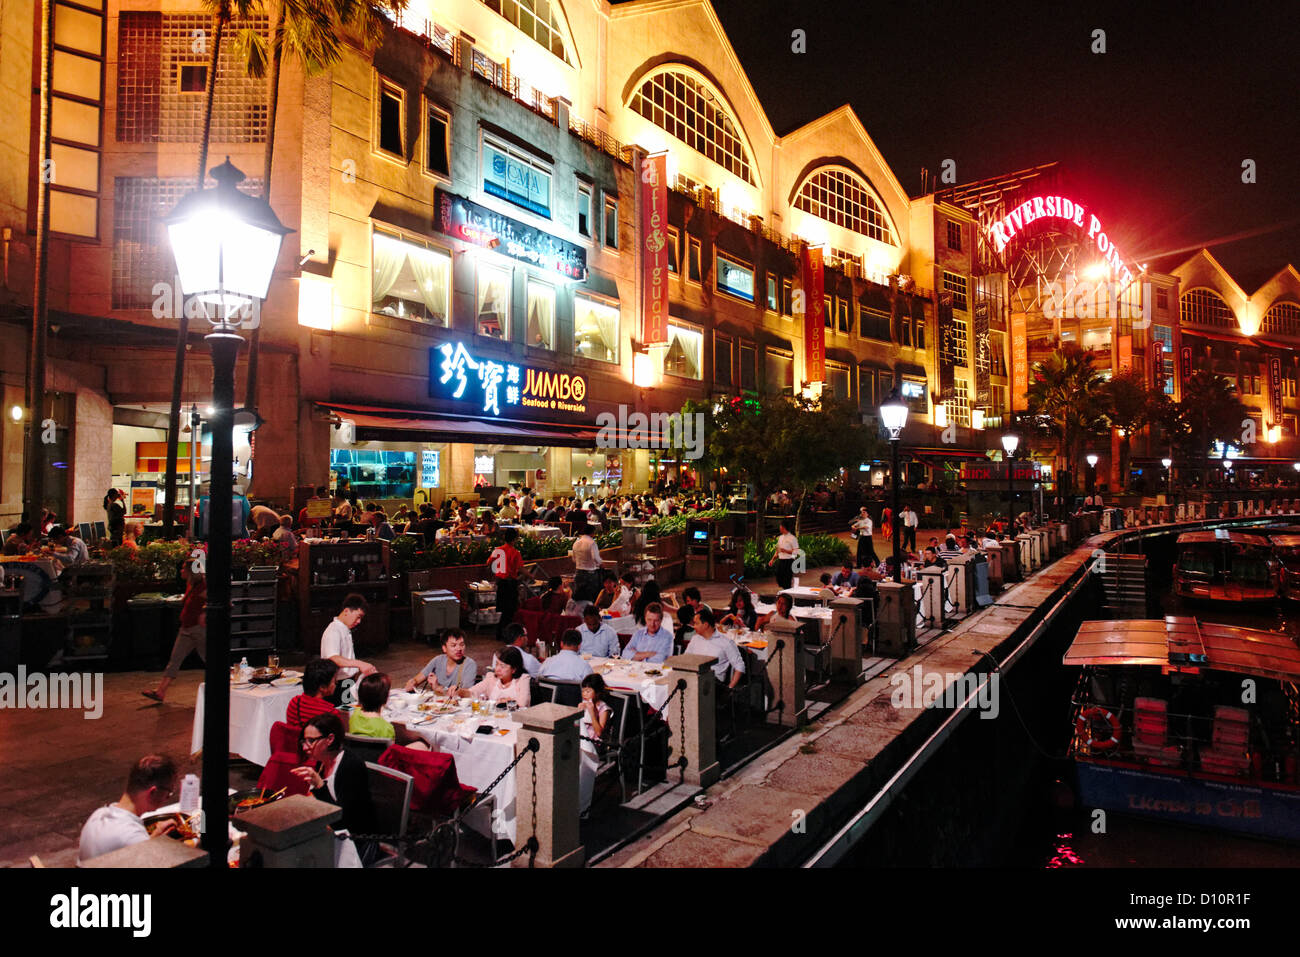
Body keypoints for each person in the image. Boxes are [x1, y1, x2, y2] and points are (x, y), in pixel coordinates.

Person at [292, 712, 378, 863]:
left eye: (311, 741)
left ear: (330, 739)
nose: (305, 747)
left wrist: (319, 786)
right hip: (328, 831)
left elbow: (342, 822)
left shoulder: (350, 766)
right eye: (303, 741)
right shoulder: (322, 761)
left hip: (354, 841)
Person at [78, 754, 178, 865]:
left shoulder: (97, 815)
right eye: (168, 793)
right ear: (152, 792)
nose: (167, 798)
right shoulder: (133, 838)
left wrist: (154, 838)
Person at [142, 562, 207, 703]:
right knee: (175, 660)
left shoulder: (204, 585)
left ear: (190, 572)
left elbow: (215, 599)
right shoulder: (192, 584)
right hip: (187, 628)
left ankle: (231, 683)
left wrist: (204, 613)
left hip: (198, 629)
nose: (181, 570)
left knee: (210, 659)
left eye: (184, 568)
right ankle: (160, 692)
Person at [348, 673, 430, 750]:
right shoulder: (386, 727)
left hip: (362, 755)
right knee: (423, 744)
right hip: (381, 761)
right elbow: (391, 752)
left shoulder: (354, 714)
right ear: (385, 698)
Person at [320, 593, 376, 693]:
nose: (359, 621)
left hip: (348, 681)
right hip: (338, 684)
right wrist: (360, 664)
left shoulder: (344, 629)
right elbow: (333, 658)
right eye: (358, 617)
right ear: (346, 611)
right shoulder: (334, 630)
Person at [577, 674, 612, 818]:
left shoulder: (604, 709)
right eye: (583, 691)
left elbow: (599, 732)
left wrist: (592, 713)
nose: (585, 694)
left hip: (595, 744)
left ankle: (582, 804)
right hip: (581, 740)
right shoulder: (583, 704)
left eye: (588, 691)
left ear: (597, 693)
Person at [685, 609, 745, 688]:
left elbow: (739, 665)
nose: (694, 626)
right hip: (694, 678)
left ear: (706, 625)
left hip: (714, 683)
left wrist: (729, 689)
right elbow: (685, 658)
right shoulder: (695, 639)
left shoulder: (726, 642)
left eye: (696, 623)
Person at [406, 628, 477, 693]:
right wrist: (412, 683)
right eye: (453, 645)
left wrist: (438, 687)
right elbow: (417, 679)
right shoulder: (438, 660)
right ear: (444, 648)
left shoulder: (470, 665)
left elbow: (466, 694)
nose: (459, 649)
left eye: (462, 645)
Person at [461, 645, 531, 707]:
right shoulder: (492, 678)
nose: (497, 669)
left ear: (514, 669)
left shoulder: (522, 679)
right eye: (497, 664)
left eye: (502, 666)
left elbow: (522, 703)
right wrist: (460, 692)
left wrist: (504, 701)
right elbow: (474, 691)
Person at [286, 658, 342, 727]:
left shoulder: (294, 703)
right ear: (322, 687)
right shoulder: (331, 714)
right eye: (334, 681)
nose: (336, 683)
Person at [489, 528, 523, 641]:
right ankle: (505, 634)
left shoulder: (498, 550)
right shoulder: (515, 553)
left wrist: (496, 572)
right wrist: (531, 576)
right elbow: (520, 569)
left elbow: (489, 563)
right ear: (515, 539)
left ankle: (500, 633)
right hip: (510, 584)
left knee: (503, 610)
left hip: (501, 583)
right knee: (510, 611)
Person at [570, 525, 603, 603]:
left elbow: (574, 559)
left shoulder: (576, 543)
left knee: (579, 596)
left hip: (578, 573)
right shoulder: (592, 543)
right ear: (592, 533)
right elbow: (595, 558)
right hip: (590, 574)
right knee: (590, 596)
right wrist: (601, 563)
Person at [768, 520, 799, 589]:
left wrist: (785, 551)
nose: (779, 528)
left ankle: (787, 592)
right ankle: (786, 589)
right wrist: (772, 559)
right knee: (779, 577)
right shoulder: (780, 537)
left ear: (783, 527)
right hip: (781, 560)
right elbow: (778, 550)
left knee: (787, 580)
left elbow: (796, 551)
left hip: (789, 561)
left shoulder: (792, 538)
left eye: (780, 526)